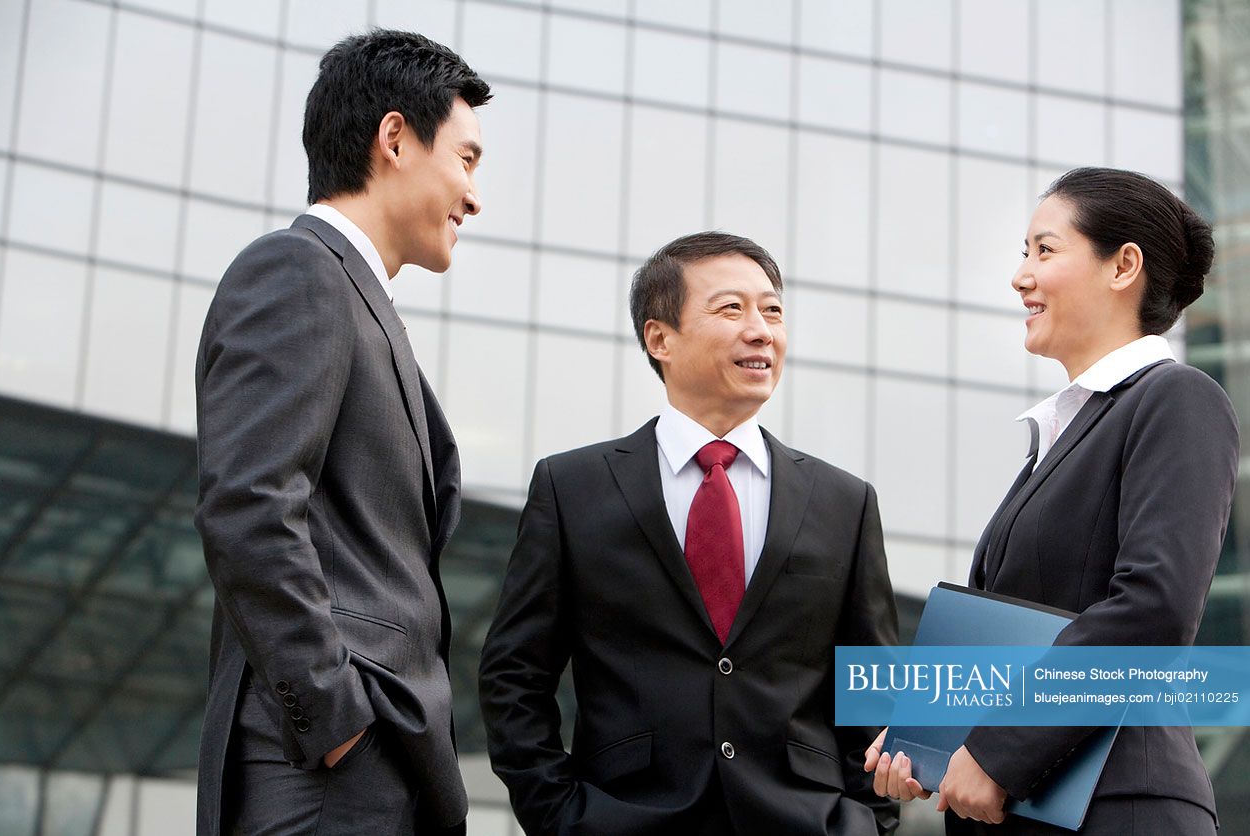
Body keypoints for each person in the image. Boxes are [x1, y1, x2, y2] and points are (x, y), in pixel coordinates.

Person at [478, 231, 900, 835]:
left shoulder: (844, 502)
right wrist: (561, 818)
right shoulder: (572, 488)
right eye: (732, 309)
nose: (761, 330)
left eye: (772, 311)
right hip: (622, 820)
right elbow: (514, 675)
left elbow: (871, 687)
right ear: (660, 338)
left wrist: (867, 822)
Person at [866, 167, 1239, 835]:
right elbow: (1022, 625)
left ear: (1123, 265)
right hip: (1033, 809)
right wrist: (920, 740)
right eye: (1023, 252)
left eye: (1044, 250)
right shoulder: (1064, 434)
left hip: (1119, 808)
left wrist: (997, 750)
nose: (1020, 276)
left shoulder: (1176, 399)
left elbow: (1154, 607)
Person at [194, 29, 490, 836]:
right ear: (395, 138)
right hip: (322, 768)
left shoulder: (353, 296)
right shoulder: (296, 271)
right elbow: (249, 505)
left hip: (376, 766)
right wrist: (336, 719)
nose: (473, 196)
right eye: (466, 160)